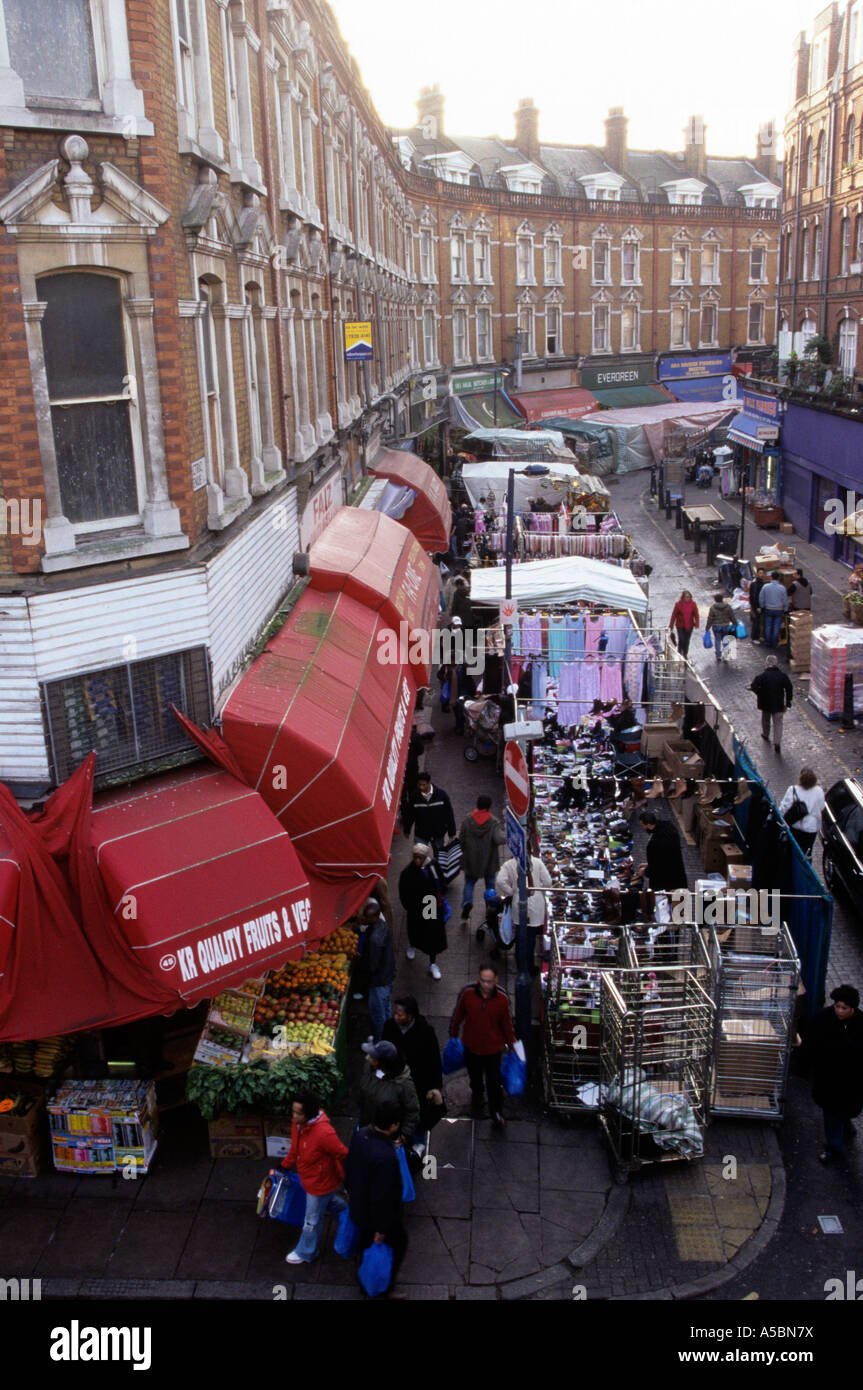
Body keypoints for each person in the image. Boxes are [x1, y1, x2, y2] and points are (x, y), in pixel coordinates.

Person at [344, 1100, 408, 1295]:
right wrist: (382, 1228)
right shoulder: (386, 1157)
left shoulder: (360, 1135)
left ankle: (365, 1280)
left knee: (364, 1244)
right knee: (399, 1243)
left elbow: (349, 1165)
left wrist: (349, 1190)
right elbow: (384, 1196)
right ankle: (380, 1287)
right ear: (394, 1125)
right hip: (377, 1218)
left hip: (358, 1207)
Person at [281, 1091, 349, 1265]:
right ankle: (349, 1214)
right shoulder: (299, 1125)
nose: (294, 1116)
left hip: (320, 1183)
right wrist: (285, 1165)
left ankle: (306, 1252)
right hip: (312, 1179)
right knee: (331, 1203)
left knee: (311, 1220)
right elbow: (295, 1149)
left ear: (309, 1113)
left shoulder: (324, 1133)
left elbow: (342, 1153)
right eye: (293, 1111)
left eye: (298, 1113)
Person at [797, 985, 863, 1164]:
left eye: (844, 1008)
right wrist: (803, 1067)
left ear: (853, 1008)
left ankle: (844, 1125)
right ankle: (833, 1146)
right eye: (837, 1007)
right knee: (832, 1113)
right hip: (830, 1079)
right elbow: (810, 1045)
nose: (839, 1011)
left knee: (844, 1110)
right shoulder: (823, 1020)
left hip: (852, 1080)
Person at [449, 964, 516, 1130]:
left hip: (493, 1049)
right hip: (471, 1046)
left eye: (489, 982)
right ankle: (477, 1095)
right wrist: (453, 1035)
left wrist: (513, 1046)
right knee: (475, 1076)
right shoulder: (468, 995)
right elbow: (458, 1016)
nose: (486, 985)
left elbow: (507, 1026)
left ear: (496, 981)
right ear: (478, 979)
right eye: (483, 981)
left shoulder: (502, 1000)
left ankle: (496, 1112)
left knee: (494, 1082)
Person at [382, 996, 445, 1150]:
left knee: (418, 1111)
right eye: (395, 1013)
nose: (396, 1017)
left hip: (419, 1081)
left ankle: (419, 1140)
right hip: (395, 1078)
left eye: (400, 1014)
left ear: (410, 1016)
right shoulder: (390, 1026)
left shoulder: (426, 1031)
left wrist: (436, 1086)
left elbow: (435, 1060)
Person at [495, 850, 554, 972]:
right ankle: (529, 966)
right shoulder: (538, 863)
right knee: (531, 936)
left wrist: (511, 892)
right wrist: (540, 891)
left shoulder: (509, 864)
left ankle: (521, 965)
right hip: (536, 904)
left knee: (520, 935)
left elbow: (500, 881)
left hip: (518, 902)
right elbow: (548, 882)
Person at [398, 842, 447, 980]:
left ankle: (432, 963)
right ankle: (412, 944)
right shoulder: (407, 872)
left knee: (432, 933)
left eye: (420, 857)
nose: (417, 860)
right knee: (415, 928)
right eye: (415, 857)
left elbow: (441, 881)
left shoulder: (433, 866)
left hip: (430, 904)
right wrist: (410, 906)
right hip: (416, 906)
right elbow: (404, 893)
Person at [357, 1040, 421, 1145]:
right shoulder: (368, 1068)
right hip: (367, 1125)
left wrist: (404, 1134)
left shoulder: (403, 1084)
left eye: (373, 1057)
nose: (369, 1058)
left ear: (382, 1062)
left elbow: (413, 1110)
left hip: (387, 1136)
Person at [458, 794, 506, 921]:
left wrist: (465, 851)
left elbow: (461, 838)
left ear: (477, 805)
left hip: (471, 859)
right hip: (488, 860)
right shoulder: (493, 822)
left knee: (469, 883)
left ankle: (467, 903)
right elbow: (498, 839)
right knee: (490, 885)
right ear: (489, 807)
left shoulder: (468, 819)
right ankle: (490, 909)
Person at [361, 899, 396, 1043]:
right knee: (386, 1011)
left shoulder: (374, 939)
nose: (364, 919)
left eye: (366, 917)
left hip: (378, 981)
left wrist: (360, 963)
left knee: (378, 1015)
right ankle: (387, 1038)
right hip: (388, 976)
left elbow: (372, 965)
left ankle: (379, 1044)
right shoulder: (383, 926)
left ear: (374, 917)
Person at [402, 772, 456, 856]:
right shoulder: (414, 796)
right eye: (419, 784)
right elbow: (410, 814)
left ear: (429, 782)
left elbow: (449, 813)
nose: (421, 787)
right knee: (419, 857)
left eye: (423, 785)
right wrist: (407, 829)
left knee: (439, 857)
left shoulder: (442, 795)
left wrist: (451, 832)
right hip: (421, 833)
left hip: (438, 833)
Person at [750, 654, 793, 755]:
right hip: (778, 705)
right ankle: (777, 743)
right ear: (776, 663)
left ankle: (766, 734)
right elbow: (789, 689)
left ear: (766, 664)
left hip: (765, 704)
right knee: (778, 723)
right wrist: (787, 703)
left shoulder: (761, 677)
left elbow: (753, 686)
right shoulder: (782, 676)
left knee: (766, 720)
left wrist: (759, 694)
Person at [778, 767, 826, 859]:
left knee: (793, 850)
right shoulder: (819, 791)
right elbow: (821, 807)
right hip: (811, 829)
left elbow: (784, 808)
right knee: (807, 852)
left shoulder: (793, 790)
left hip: (796, 827)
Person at [637, 811, 688, 892]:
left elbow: (658, 865)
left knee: (663, 898)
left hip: (664, 877)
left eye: (643, 825)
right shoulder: (668, 826)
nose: (643, 828)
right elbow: (665, 857)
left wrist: (645, 871)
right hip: (676, 870)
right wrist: (649, 864)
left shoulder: (656, 843)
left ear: (649, 825)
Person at [759, 570, 789, 650]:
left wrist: (762, 606)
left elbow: (761, 598)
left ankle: (768, 642)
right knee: (776, 626)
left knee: (768, 626)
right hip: (779, 609)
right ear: (778, 578)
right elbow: (785, 600)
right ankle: (774, 642)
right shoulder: (782, 588)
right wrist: (785, 609)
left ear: (771, 577)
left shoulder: (765, 587)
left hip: (768, 608)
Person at [705, 592, 736, 664]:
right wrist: (735, 623)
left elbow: (710, 618)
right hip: (725, 625)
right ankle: (726, 655)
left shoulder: (712, 608)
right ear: (722, 599)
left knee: (718, 640)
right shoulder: (727, 606)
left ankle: (718, 655)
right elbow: (732, 616)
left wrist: (707, 627)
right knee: (725, 640)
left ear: (715, 600)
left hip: (716, 626)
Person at [669, 590, 700, 659]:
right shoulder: (678, 604)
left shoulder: (693, 604)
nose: (687, 599)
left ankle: (685, 653)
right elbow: (674, 615)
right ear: (683, 597)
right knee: (681, 639)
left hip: (690, 625)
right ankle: (680, 651)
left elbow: (696, 615)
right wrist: (671, 626)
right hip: (680, 625)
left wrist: (697, 623)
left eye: (689, 597)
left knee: (687, 640)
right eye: (686, 597)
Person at [749, 567, 768, 644]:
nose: (761, 574)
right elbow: (753, 596)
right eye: (760, 573)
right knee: (756, 622)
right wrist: (756, 607)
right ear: (757, 574)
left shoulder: (762, 583)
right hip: (757, 606)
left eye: (762, 573)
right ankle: (754, 637)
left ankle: (758, 636)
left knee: (759, 621)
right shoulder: (755, 584)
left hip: (760, 606)